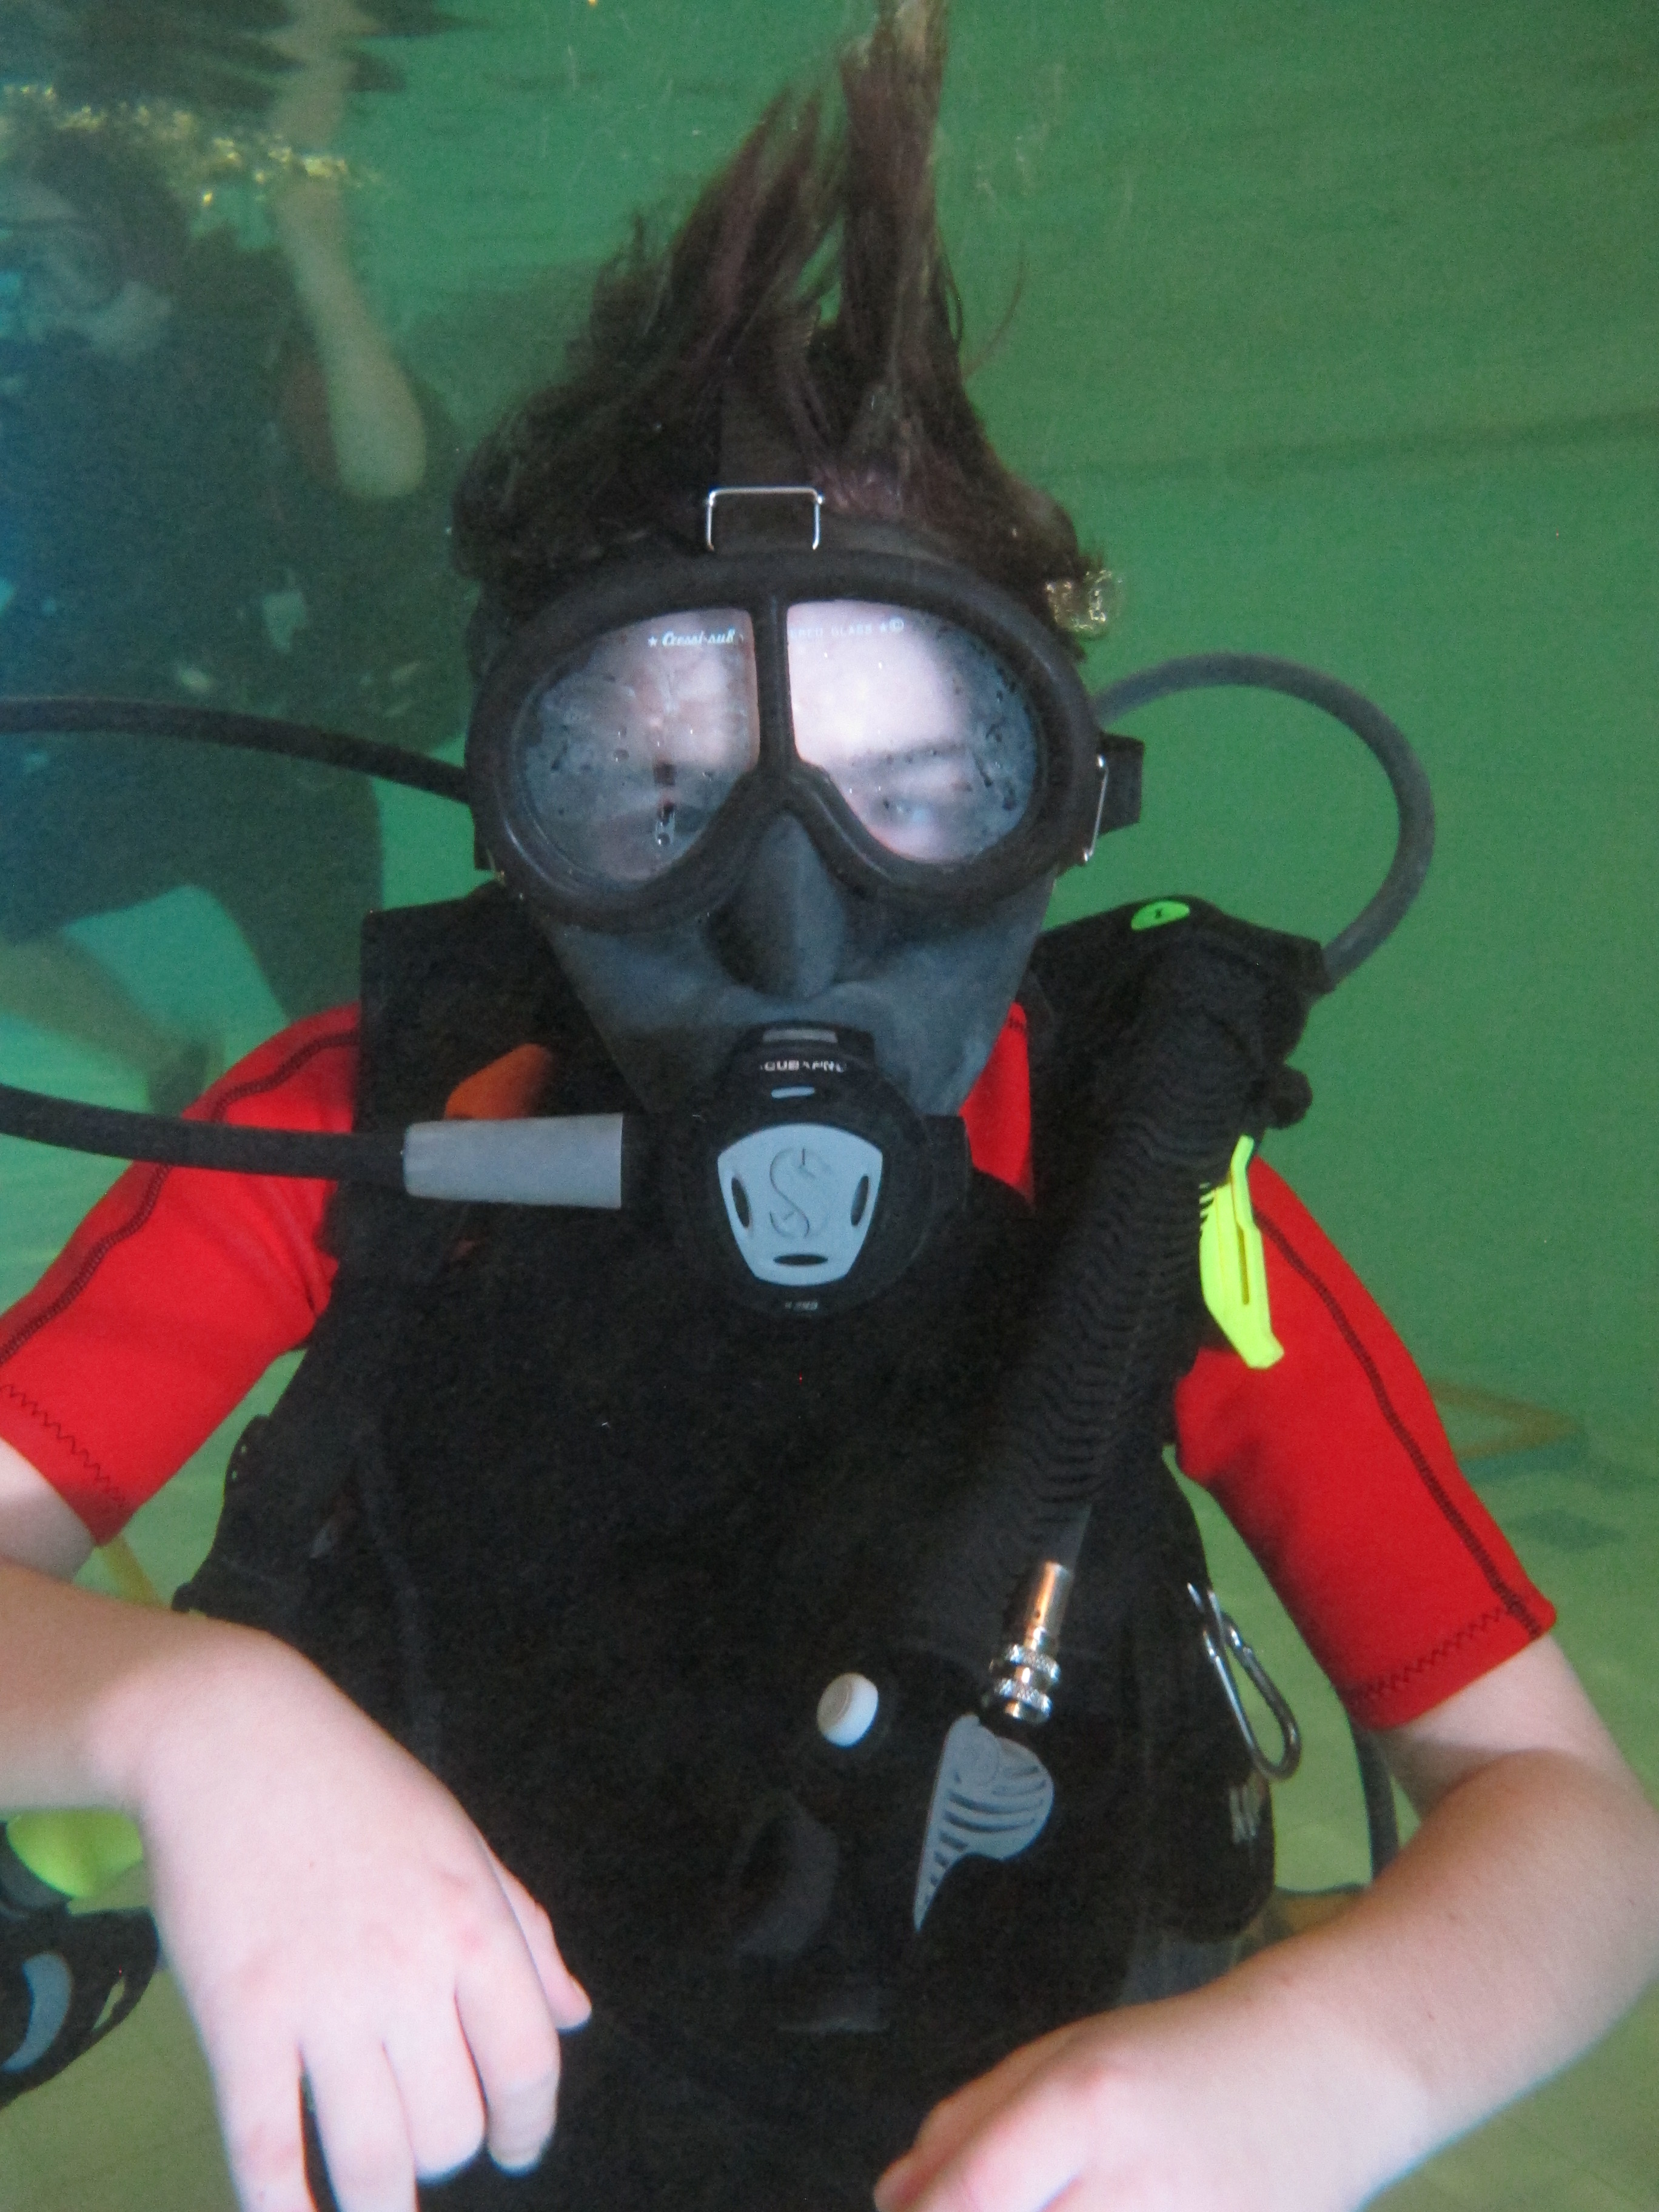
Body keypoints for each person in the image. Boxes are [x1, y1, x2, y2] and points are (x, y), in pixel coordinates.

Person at [1, 7, 1657, 2211]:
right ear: (519, 816)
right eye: (660, 796)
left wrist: (1327, 2061)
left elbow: (1566, 1821)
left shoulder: (1141, 1185)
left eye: (912, 799)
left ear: (1053, 804)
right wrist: (190, 1726)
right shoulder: (371, 1133)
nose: (794, 926)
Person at [0, 5, 469, 1110]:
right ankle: (166, 1066)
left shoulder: (258, 344)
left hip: (289, 767)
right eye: (13, 266)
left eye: (70, 262)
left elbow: (391, 472)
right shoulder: (39, 386)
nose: (37, 301)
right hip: (138, 747)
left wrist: (322, 262)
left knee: (359, 1075)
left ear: (149, 254)